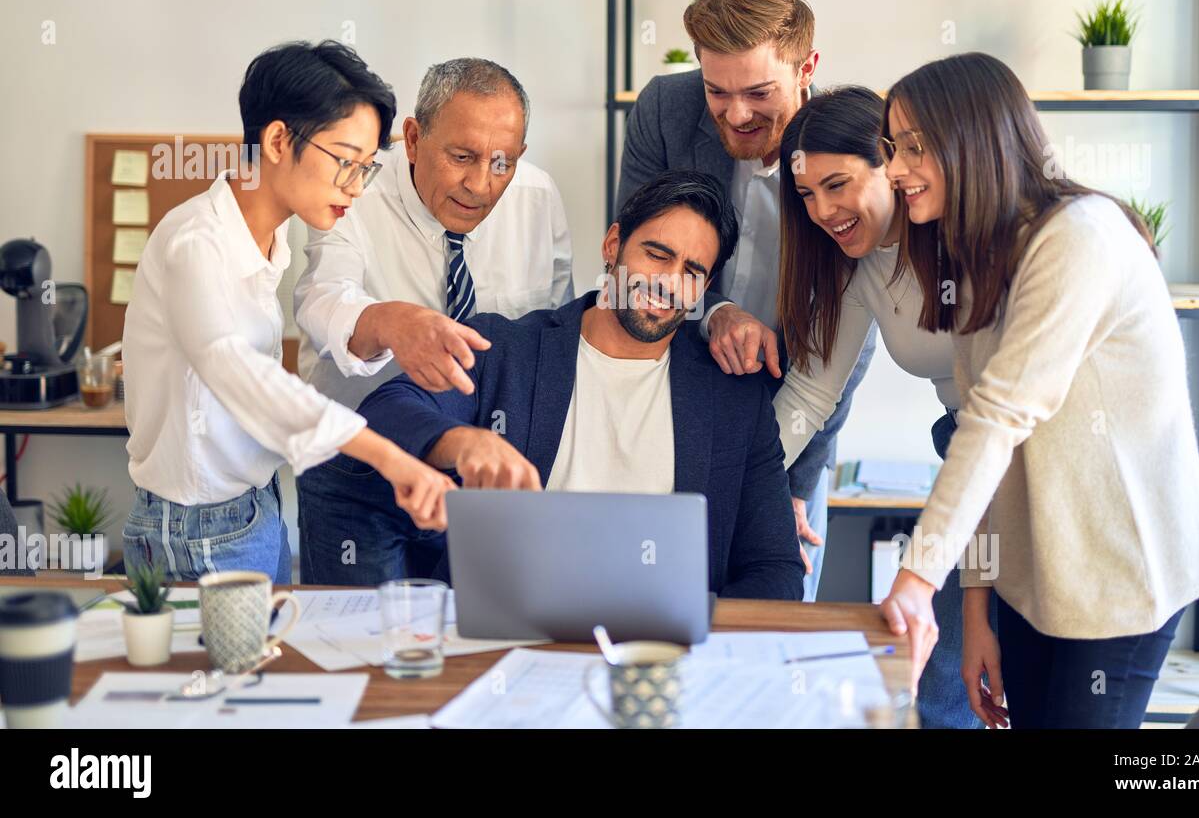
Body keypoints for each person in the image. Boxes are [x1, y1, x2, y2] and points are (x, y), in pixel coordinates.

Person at [875, 52, 1199, 729]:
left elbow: (1000, 417)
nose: (893, 170)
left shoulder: (1078, 240)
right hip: (1038, 579)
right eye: (893, 148)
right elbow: (981, 434)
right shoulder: (977, 256)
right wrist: (976, 610)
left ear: (976, 142)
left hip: (1121, 578)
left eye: (914, 148)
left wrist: (917, 579)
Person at [307, 170, 805, 598]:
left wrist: (700, 636)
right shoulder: (504, 349)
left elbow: (775, 570)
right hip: (509, 633)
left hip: (664, 651)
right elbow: (387, 410)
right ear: (613, 245)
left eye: (692, 271)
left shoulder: (733, 394)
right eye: (657, 254)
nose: (669, 283)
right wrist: (458, 441)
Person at [121, 41, 451, 584]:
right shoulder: (196, 242)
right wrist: (387, 456)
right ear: (278, 140)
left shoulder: (269, 238)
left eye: (366, 168)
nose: (356, 188)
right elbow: (235, 369)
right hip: (195, 528)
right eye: (345, 161)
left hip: (256, 507)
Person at [618, 0, 875, 599]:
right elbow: (634, 260)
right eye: (717, 91)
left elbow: (844, 353)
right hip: (674, 397)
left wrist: (784, 487)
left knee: (775, 617)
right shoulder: (664, 110)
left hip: (798, 405)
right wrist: (714, 312)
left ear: (805, 66)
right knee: (659, 600)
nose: (736, 114)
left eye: (759, 92)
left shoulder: (846, 153)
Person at [293, 57, 572, 583]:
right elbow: (320, 299)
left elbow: (552, 337)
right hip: (359, 471)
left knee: (480, 646)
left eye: (501, 162)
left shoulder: (537, 198)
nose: (481, 185)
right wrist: (390, 321)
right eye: (462, 156)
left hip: (482, 473)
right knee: (362, 644)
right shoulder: (353, 187)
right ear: (414, 138)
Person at [769, 85, 988, 728]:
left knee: (983, 678)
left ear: (890, 164)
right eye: (807, 194)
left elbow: (1007, 408)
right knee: (946, 691)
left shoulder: (968, 234)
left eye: (837, 184)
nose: (823, 211)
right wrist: (736, 488)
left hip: (1022, 456)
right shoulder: (858, 264)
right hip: (966, 451)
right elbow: (809, 395)